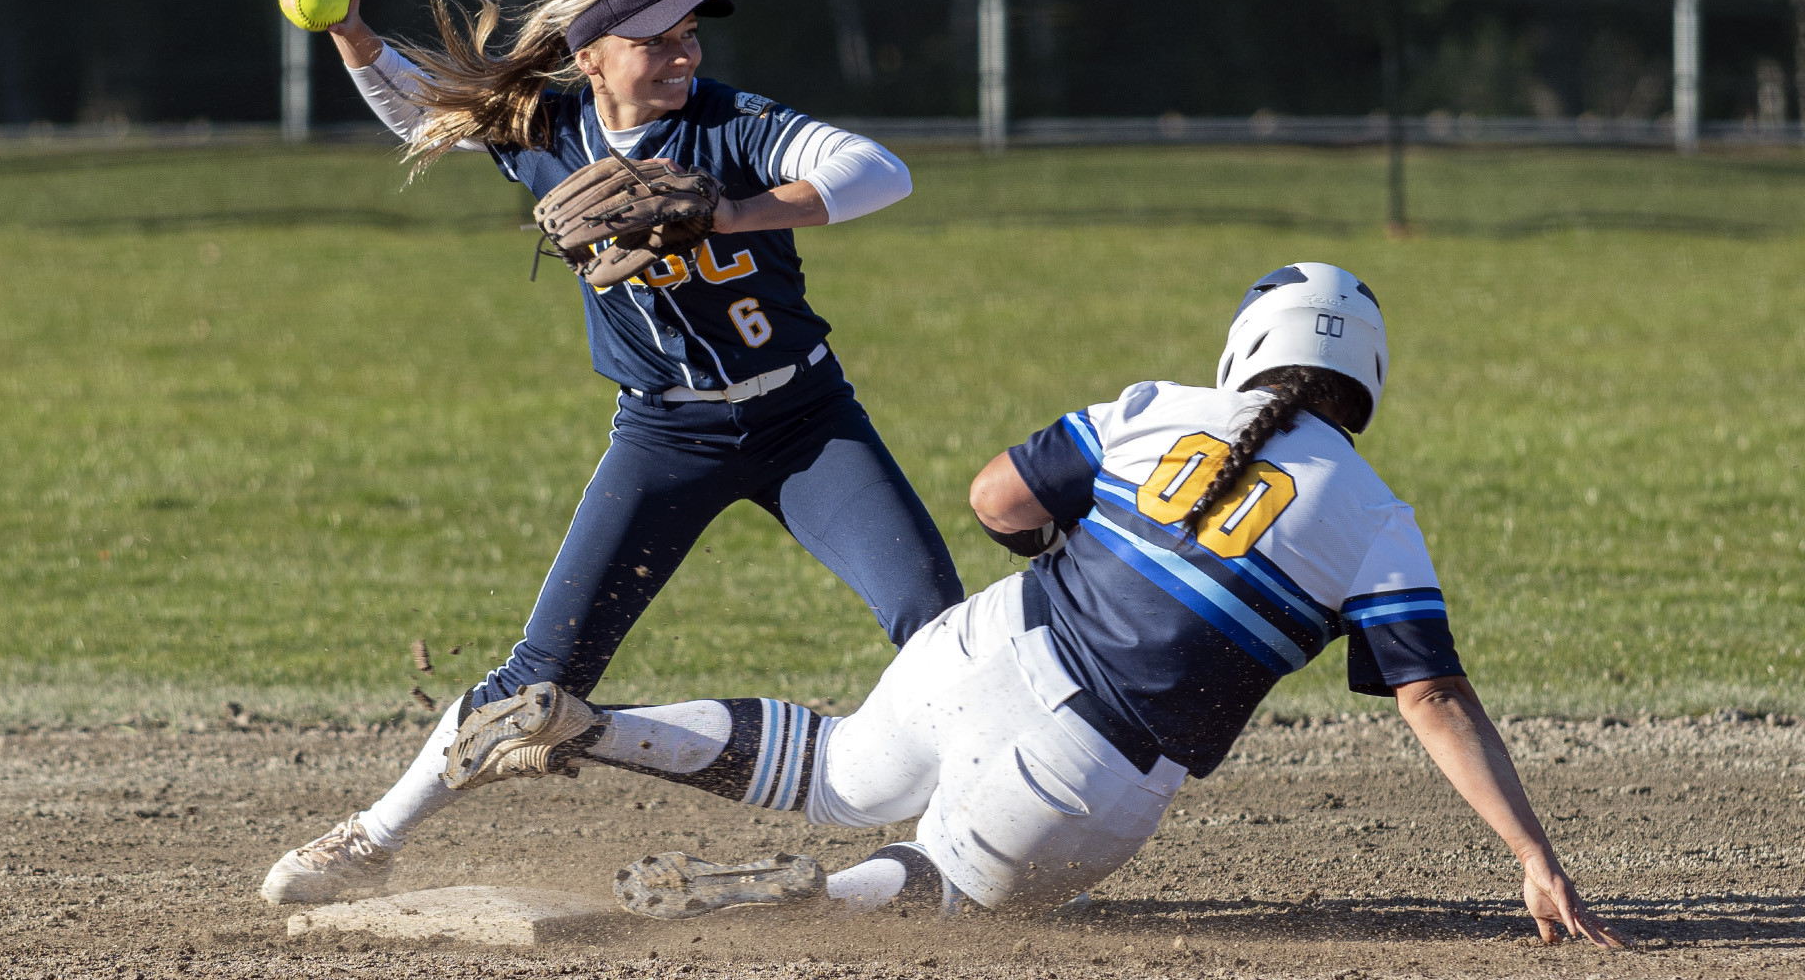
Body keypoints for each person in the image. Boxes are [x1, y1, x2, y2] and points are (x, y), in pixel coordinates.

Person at [440, 263, 1627, 947]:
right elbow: (1432, 698)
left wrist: (1078, 543)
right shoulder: (1376, 519)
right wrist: (1534, 855)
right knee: (946, 885)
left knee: (840, 767)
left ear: (1245, 347)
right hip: (1099, 762)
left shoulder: (1155, 406)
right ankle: (818, 890)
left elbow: (995, 496)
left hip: (990, 641)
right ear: (1366, 381)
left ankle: (594, 725)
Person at [260, 0, 963, 905]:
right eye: (654, 41)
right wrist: (350, 32)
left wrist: (729, 212)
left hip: (805, 422)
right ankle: (369, 840)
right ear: (590, 56)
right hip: (664, 439)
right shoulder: (545, 128)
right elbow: (424, 112)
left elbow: (880, 172)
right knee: (541, 677)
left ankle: (986, 840)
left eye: (689, 35)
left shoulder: (732, 124)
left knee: (940, 631)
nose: (683, 55)